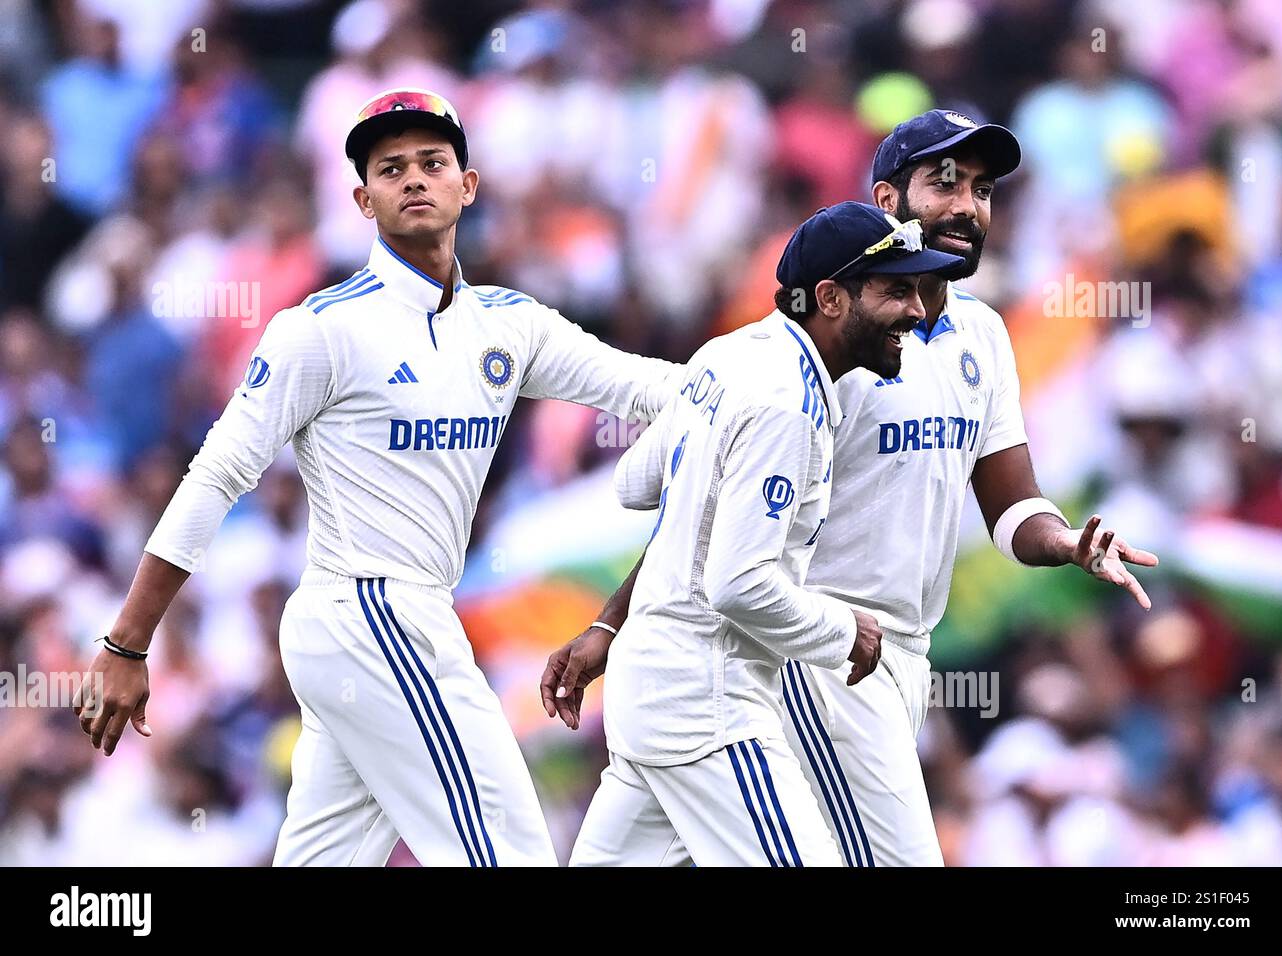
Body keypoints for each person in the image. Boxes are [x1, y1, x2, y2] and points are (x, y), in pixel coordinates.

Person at [73, 88, 678, 867]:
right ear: (363, 199)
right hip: (371, 611)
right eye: (391, 169)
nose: (415, 179)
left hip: (389, 624)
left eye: (433, 162)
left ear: (470, 184)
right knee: (511, 853)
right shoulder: (321, 329)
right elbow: (214, 476)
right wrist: (128, 643)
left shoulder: (510, 324)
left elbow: (653, 388)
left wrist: (787, 373)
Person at [542, 110, 1158, 867]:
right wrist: (610, 621)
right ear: (887, 202)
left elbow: (1010, 505)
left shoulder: (984, 337)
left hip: (891, 653)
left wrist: (1065, 542)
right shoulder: (835, 353)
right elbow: (712, 519)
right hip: (812, 656)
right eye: (945, 183)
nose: (968, 205)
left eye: (984, 189)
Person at [564, 202, 963, 866]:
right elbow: (737, 585)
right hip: (708, 705)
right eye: (896, 290)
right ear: (832, 298)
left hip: (650, 690)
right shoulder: (789, 405)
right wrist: (845, 630)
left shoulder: (732, 353)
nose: (918, 310)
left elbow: (635, 482)